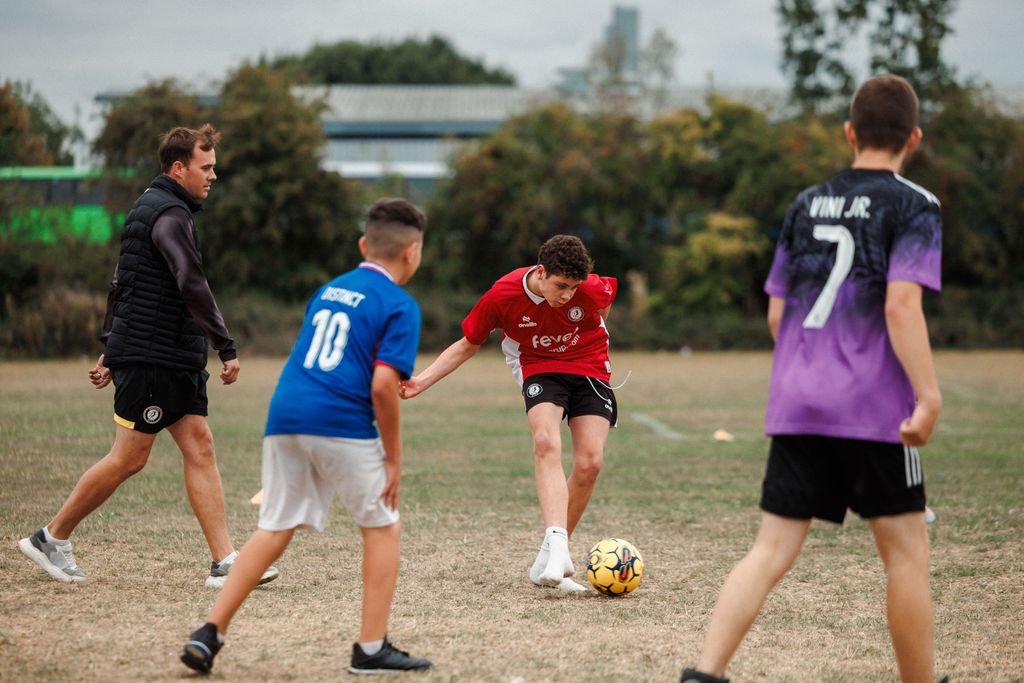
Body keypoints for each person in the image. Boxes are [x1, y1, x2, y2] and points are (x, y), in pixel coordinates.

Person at [681, 74, 944, 683]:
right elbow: (902, 306)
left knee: (770, 550)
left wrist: (812, 374)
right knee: (906, 556)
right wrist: (927, 395)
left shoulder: (806, 203)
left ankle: (704, 674)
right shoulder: (915, 204)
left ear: (849, 133)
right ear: (914, 138)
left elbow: (778, 312)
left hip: (800, 402)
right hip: (878, 411)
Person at [18, 124, 277, 589]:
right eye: (206, 167)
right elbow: (190, 281)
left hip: (168, 354)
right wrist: (225, 345)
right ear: (179, 168)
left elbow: (124, 284)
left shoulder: (152, 208)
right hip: (155, 356)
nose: (213, 176)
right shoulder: (170, 215)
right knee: (129, 458)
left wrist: (110, 348)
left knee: (199, 445)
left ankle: (224, 562)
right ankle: (50, 538)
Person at [180, 198, 432, 676]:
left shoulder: (330, 289)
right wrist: (394, 458)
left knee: (275, 527)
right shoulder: (399, 304)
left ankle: (209, 633)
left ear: (363, 245)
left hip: (285, 414)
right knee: (382, 526)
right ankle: (371, 649)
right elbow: (383, 385)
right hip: (339, 420)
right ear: (412, 252)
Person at [401, 235, 618, 593]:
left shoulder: (589, 288)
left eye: (573, 287)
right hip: (538, 367)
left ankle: (549, 555)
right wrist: (420, 382)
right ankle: (560, 547)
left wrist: (592, 328)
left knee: (590, 464)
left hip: (590, 365)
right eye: (561, 286)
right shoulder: (503, 294)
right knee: (546, 441)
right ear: (540, 272)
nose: (567, 295)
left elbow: (603, 303)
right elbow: (467, 345)